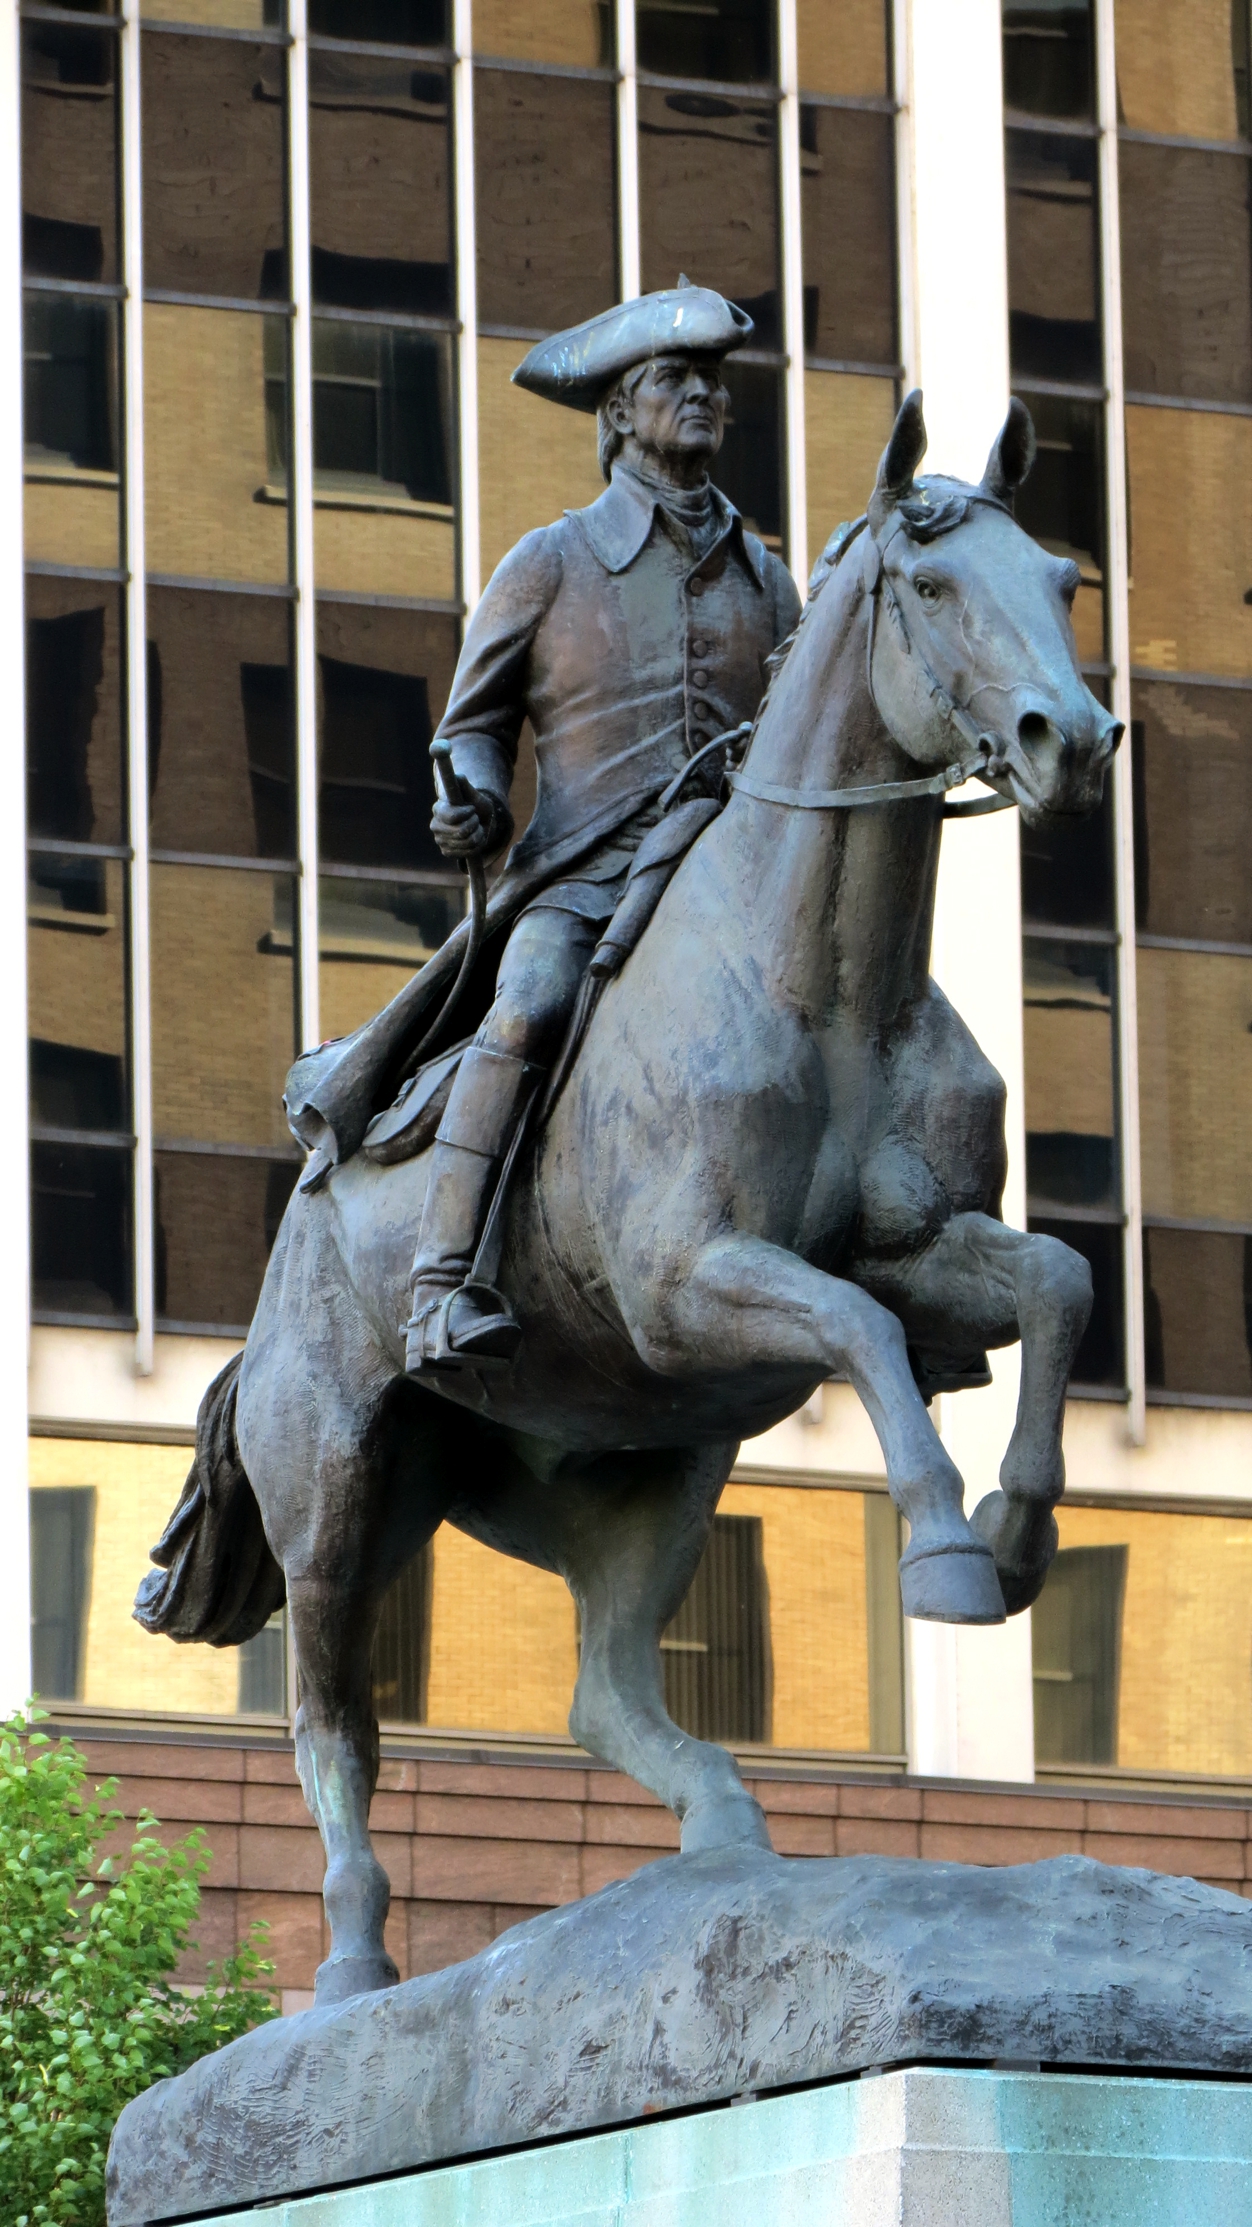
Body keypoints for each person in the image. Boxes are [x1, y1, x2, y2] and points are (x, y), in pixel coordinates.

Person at [405, 280, 802, 1373]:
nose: (704, 399)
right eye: (676, 381)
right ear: (620, 412)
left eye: (714, 384)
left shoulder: (769, 579)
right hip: (586, 877)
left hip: (731, 888)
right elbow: (471, 725)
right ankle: (440, 1280)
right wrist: (472, 794)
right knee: (528, 1006)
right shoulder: (550, 561)